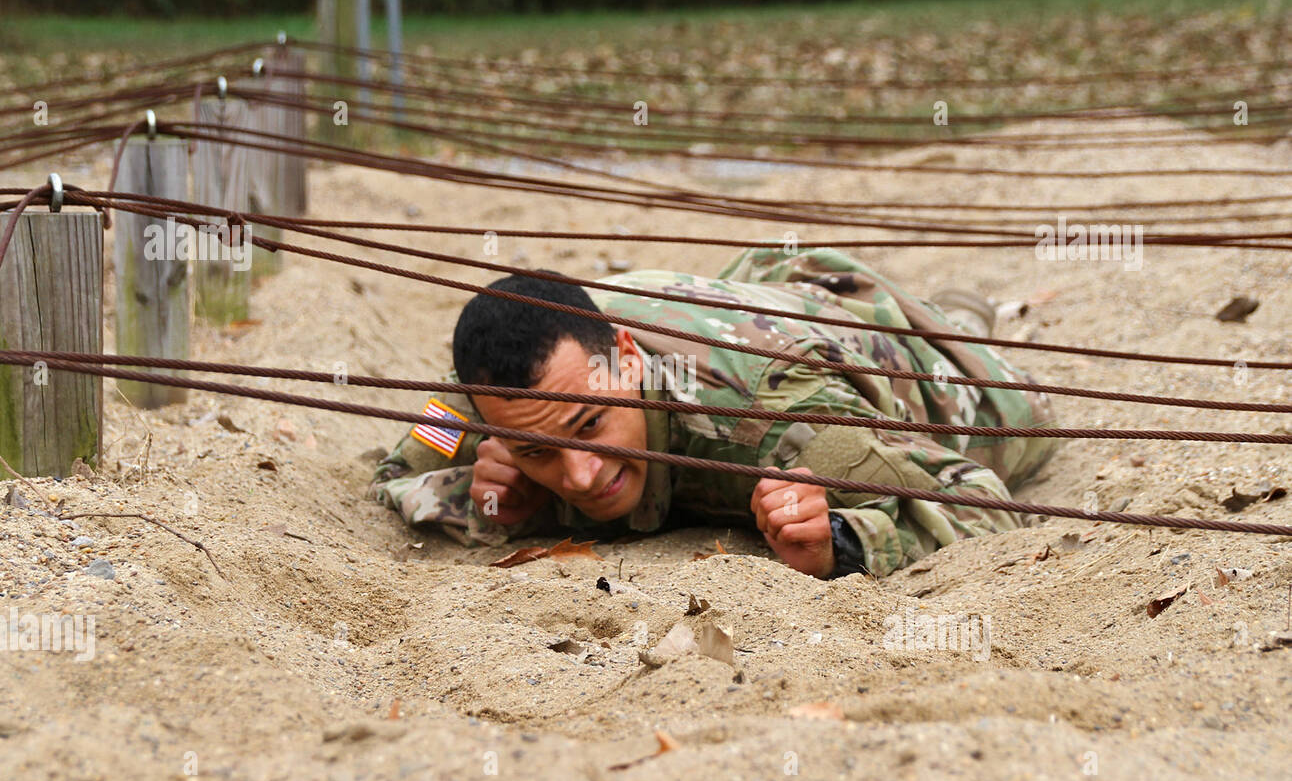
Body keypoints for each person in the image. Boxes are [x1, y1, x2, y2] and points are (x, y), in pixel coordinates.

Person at [370, 247, 1058, 578]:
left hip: (908, 371)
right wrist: (484, 497)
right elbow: (400, 468)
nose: (579, 476)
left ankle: (960, 313)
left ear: (627, 359)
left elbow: (982, 504)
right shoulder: (487, 392)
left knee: (1006, 406)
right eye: (537, 454)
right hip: (753, 293)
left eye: (590, 427)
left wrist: (841, 544)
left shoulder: (781, 423)